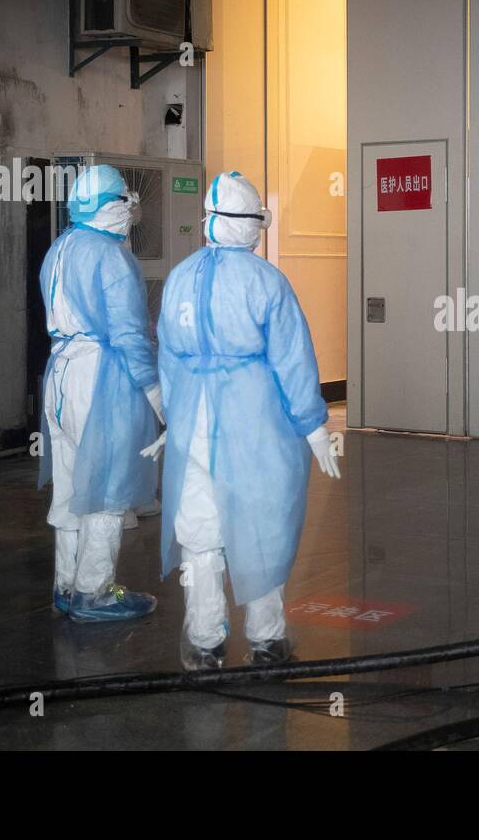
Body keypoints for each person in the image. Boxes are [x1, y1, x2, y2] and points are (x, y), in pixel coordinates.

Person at [155, 172, 339, 670]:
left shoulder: (180, 278)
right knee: (261, 523)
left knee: (199, 532)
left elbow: (168, 360)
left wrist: (173, 420)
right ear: (253, 223)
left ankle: (205, 642)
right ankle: (266, 639)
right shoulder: (267, 282)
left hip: (192, 420)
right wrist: (314, 426)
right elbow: (293, 360)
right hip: (253, 421)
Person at [39, 165, 163, 621]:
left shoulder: (60, 249)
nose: (131, 210)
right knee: (107, 489)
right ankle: (94, 593)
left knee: (71, 486)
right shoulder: (111, 257)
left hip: (59, 377)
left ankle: (67, 585)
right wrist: (156, 394)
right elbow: (130, 336)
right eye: (124, 201)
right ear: (110, 207)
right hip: (98, 380)